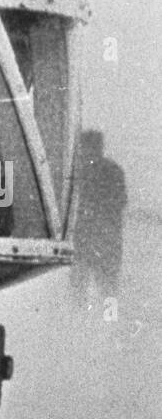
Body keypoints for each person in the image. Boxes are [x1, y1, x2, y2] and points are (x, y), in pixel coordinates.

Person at [70, 130, 126, 305]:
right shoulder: (113, 170)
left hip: (83, 240)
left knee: (79, 289)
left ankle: (78, 322)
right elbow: (121, 202)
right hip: (107, 241)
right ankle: (111, 323)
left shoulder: (78, 173)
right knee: (109, 290)